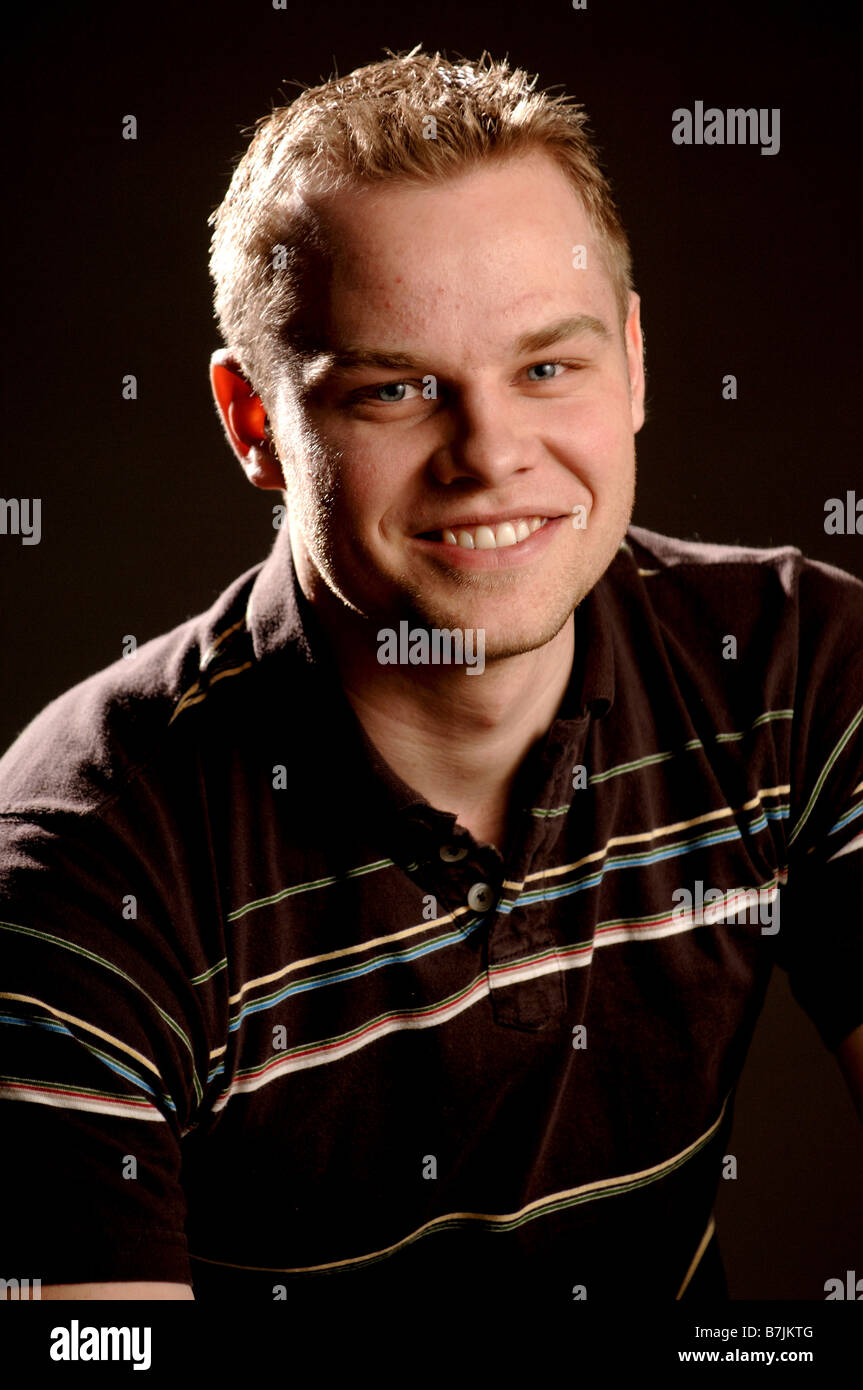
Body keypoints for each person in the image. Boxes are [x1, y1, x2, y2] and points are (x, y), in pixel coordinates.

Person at [1, 46, 861, 1306]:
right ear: (255, 428)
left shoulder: (792, 663)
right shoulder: (79, 870)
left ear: (632, 360)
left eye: (546, 367)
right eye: (396, 389)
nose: (489, 453)